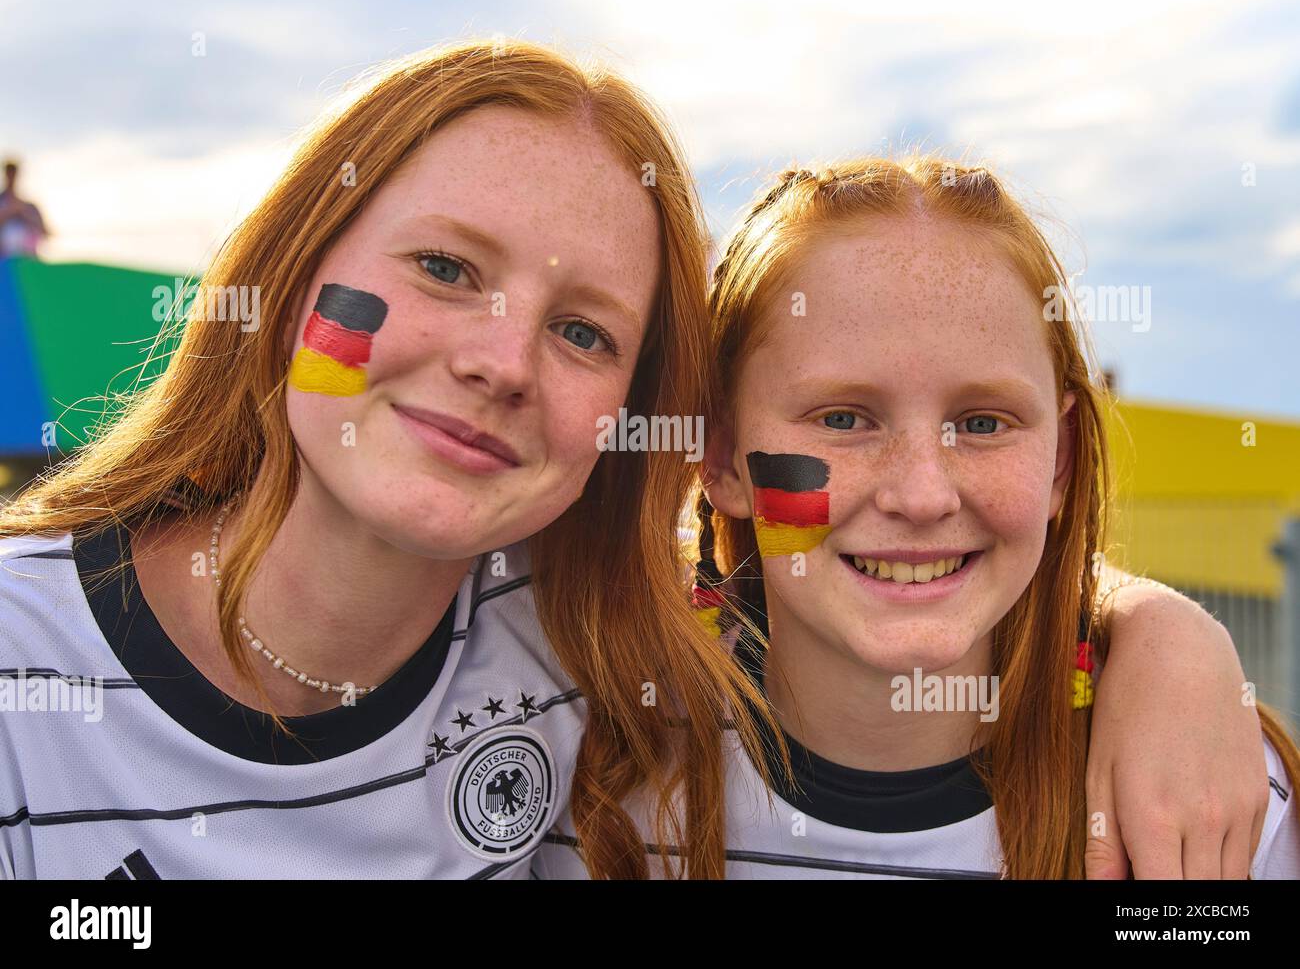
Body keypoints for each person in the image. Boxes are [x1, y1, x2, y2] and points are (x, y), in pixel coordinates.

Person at [0, 43, 1273, 879]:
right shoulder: (604, 701)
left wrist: (1163, 641)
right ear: (289, 271)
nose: (502, 362)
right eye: (443, 267)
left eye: (582, 331)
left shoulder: (577, 653)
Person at [534, 157, 1296, 879]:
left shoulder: (1210, 801)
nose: (923, 494)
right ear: (724, 457)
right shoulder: (576, 755)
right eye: (841, 418)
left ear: (1059, 463)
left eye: (984, 423)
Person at [0, 159, 48, 258]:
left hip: (27, 261)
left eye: (13, 173)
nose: (11, 177)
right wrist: (9, 212)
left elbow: (46, 232)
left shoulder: (29, 206)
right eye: (9, 173)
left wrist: (24, 214)